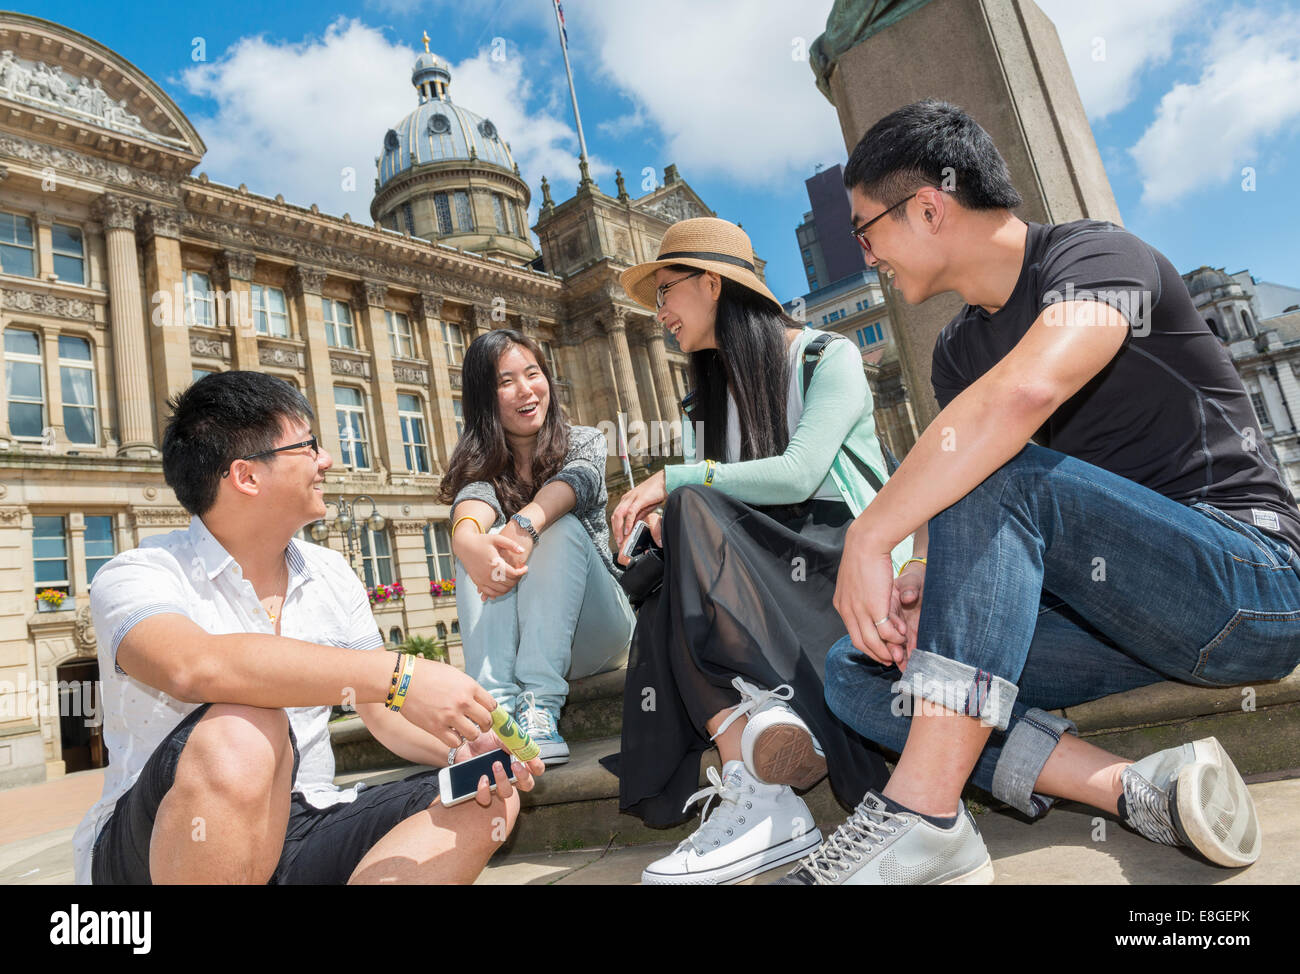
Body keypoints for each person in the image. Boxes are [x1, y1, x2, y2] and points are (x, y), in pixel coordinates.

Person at [778, 100, 1300, 885]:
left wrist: (870, 533)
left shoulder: (1100, 257)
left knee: (1004, 475)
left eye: (865, 230)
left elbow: (1021, 400)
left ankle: (923, 816)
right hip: (1121, 617)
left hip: (1253, 584)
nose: (865, 253)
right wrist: (924, 573)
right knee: (862, 671)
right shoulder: (957, 352)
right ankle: (1136, 791)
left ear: (928, 208)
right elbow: (965, 484)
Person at [72, 371, 544, 885]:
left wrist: (461, 750)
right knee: (245, 725)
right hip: (159, 841)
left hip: (303, 820)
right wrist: (399, 675)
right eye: (309, 446)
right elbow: (193, 666)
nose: (327, 461)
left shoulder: (330, 572)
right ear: (247, 477)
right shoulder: (139, 573)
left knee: (483, 798)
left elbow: (381, 716)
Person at [610, 217, 918, 884]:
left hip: (849, 581)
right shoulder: (708, 403)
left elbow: (801, 472)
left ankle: (759, 777)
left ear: (713, 284)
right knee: (664, 566)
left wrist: (676, 483)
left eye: (666, 291)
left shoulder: (825, 356)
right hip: (772, 592)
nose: (659, 313)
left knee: (689, 501)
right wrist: (672, 524)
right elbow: (725, 502)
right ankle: (756, 765)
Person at [441, 328, 635, 766]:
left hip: (597, 633)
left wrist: (524, 526)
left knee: (559, 527)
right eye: (505, 381)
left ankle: (540, 708)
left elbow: (575, 482)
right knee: (477, 548)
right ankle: (494, 715)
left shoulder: (583, 439)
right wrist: (468, 539)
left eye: (533, 374)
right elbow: (472, 503)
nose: (526, 390)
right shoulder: (481, 464)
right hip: (525, 637)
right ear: (484, 399)